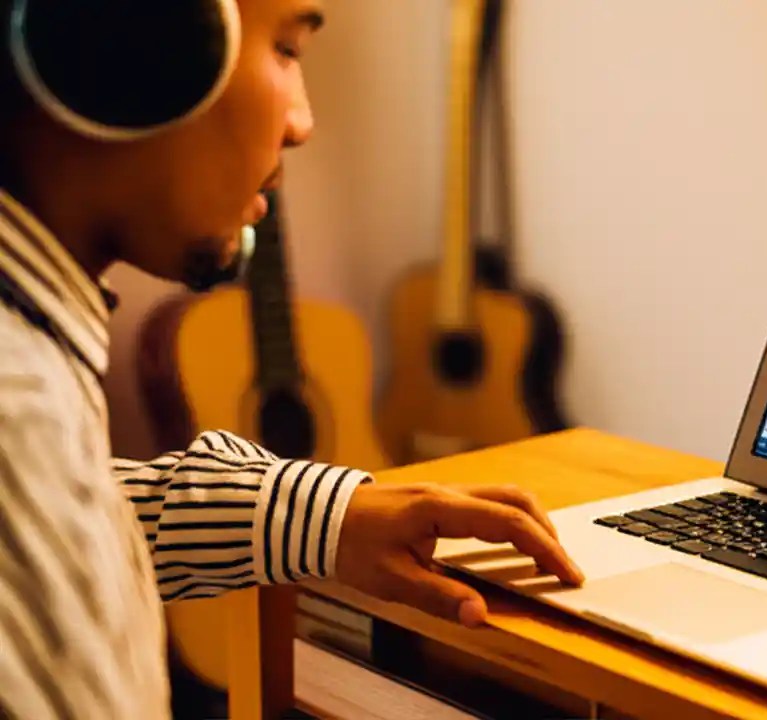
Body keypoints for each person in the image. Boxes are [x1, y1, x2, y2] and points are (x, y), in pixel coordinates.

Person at [0, 1, 584, 718]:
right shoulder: (17, 427)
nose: (302, 122)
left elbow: (76, 521)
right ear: (138, 40)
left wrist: (315, 512)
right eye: (285, 50)